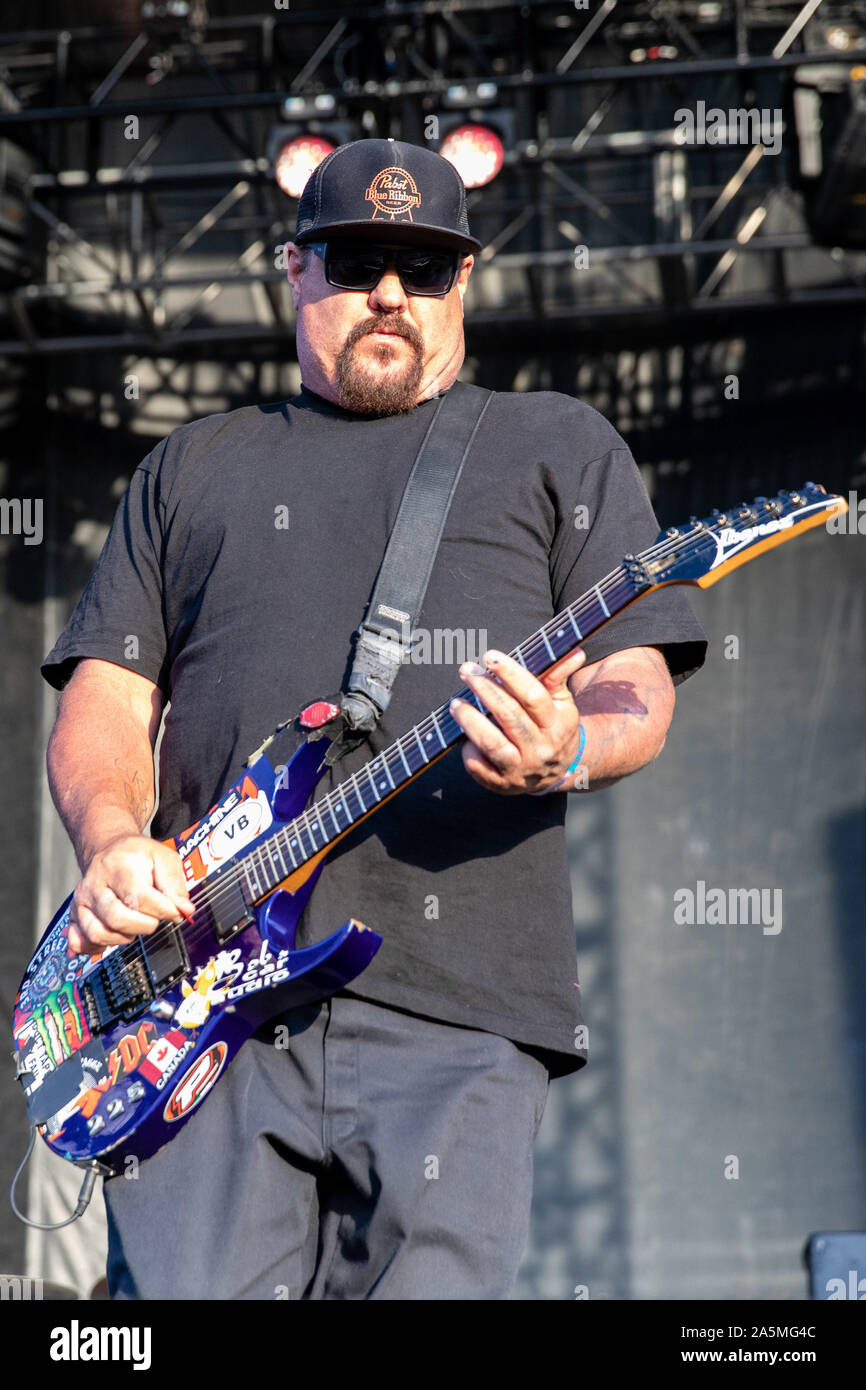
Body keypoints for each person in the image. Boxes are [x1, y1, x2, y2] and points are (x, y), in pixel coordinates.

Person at [42, 138, 707, 1300]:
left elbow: (631, 681)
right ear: (293, 270)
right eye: (356, 260)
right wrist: (112, 844)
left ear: (465, 282)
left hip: (457, 1005)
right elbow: (108, 692)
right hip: (200, 1014)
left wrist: (574, 747)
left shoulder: (555, 443)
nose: (391, 291)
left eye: (425, 267)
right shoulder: (192, 465)